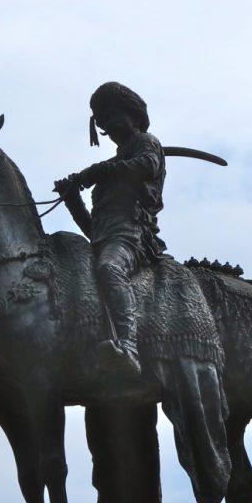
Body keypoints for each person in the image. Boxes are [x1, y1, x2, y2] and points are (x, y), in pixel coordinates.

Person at [55, 82, 168, 376]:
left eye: (112, 113)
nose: (107, 121)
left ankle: (128, 345)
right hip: (105, 239)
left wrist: (98, 171)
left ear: (132, 115)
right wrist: (72, 200)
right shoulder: (110, 165)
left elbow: (147, 166)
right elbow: (94, 230)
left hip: (133, 236)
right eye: (103, 117)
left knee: (109, 269)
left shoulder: (146, 144)